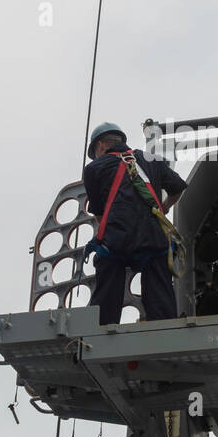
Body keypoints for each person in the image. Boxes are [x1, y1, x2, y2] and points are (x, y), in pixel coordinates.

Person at [83, 122, 187, 325]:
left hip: (116, 242)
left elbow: (99, 214)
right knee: (160, 294)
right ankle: (165, 331)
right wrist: (163, 208)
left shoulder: (93, 169)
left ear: (101, 145)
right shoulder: (150, 160)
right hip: (153, 239)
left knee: (107, 283)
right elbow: (177, 188)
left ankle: (104, 330)